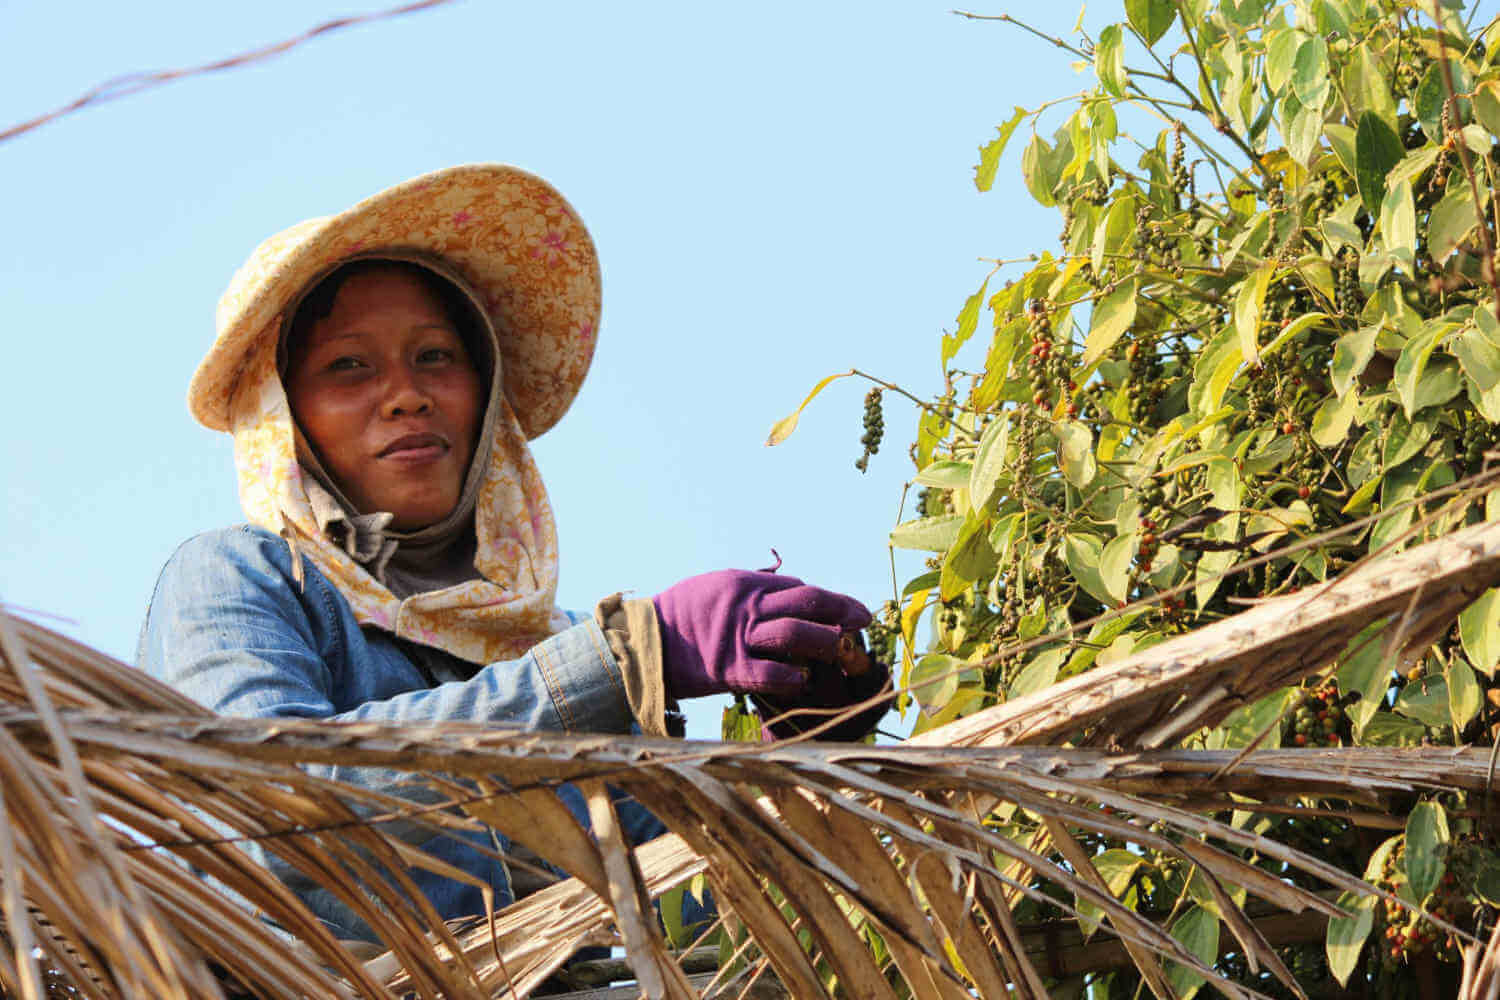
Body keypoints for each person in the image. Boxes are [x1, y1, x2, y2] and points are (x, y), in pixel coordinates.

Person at [137, 164, 888, 945]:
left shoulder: (548, 643)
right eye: (348, 366)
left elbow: (687, 924)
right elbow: (273, 820)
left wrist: (799, 770)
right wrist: (628, 655)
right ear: (281, 413)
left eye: (436, 356)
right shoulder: (240, 579)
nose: (407, 394)